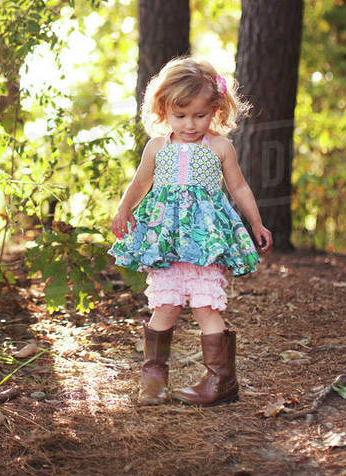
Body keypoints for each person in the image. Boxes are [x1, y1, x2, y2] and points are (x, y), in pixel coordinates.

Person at [109, 56, 272, 405]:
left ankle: (221, 381)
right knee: (164, 304)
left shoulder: (219, 147)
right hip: (165, 242)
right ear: (163, 109)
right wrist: (124, 209)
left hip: (204, 244)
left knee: (205, 307)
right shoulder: (157, 147)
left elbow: (239, 188)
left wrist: (255, 222)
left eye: (200, 115)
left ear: (215, 109)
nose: (190, 124)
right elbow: (140, 183)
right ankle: (153, 380)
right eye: (180, 116)